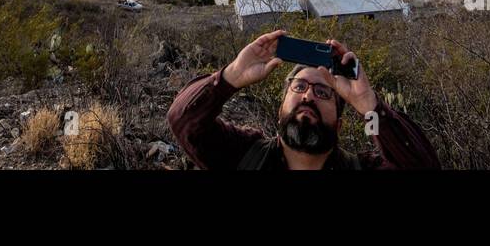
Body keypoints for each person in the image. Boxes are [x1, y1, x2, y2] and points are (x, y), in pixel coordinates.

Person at [167, 30, 440, 169]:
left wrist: (370, 105)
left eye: (323, 93)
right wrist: (230, 76)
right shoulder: (243, 156)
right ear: (279, 110)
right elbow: (183, 121)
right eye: (299, 87)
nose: (308, 95)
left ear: (339, 125)